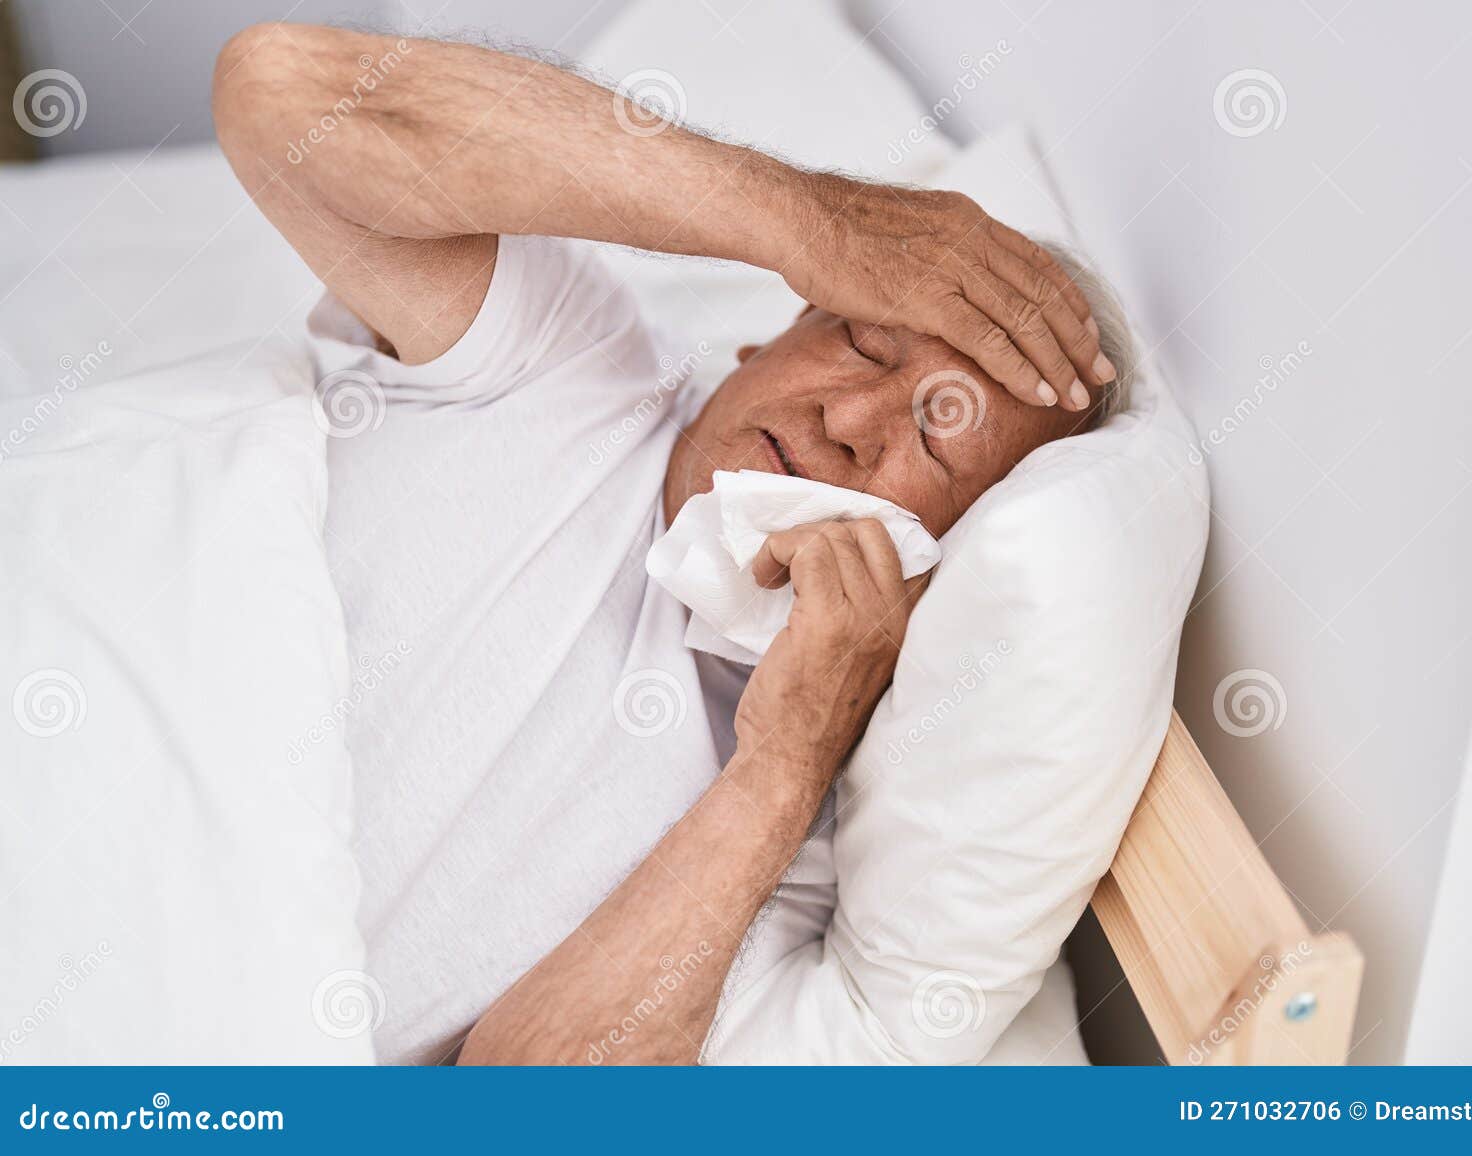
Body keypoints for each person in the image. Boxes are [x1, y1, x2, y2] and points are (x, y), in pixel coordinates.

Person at [212, 22, 1132, 1064]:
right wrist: (813, 221)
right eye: (862, 344)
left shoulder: (785, 843)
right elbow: (276, 89)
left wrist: (782, 766)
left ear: (950, 550)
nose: (848, 420)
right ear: (767, 337)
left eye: (936, 434)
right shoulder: (563, 363)